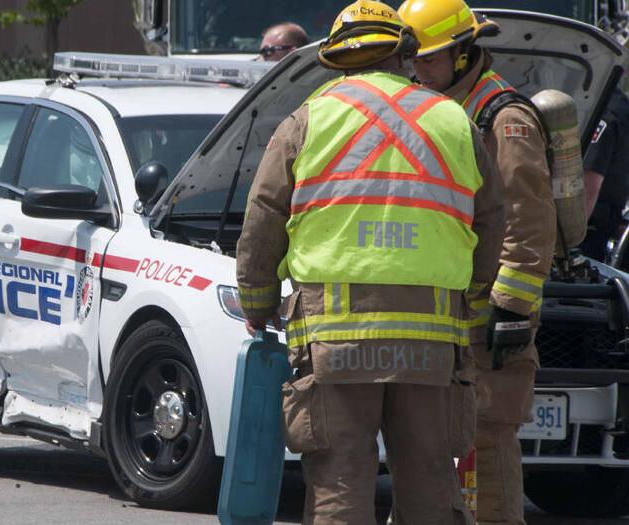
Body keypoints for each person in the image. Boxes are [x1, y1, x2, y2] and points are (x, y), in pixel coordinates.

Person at [236, 1, 504, 522]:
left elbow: (263, 218)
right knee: (430, 480)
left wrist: (257, 300)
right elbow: (491, 220)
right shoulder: (454, 120)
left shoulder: (306, 121)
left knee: (339, 484)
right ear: (404, 55)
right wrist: (472, 295)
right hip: (431, 345)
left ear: (335, 60)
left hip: (335, 345)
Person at [399, 1, 557, 523]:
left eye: (429, 59)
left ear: (464, 53)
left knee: (486, 448)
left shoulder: (502, 117)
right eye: (413, 61)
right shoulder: (442, 109)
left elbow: (528, 222)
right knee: (438, 448)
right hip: (449, 313)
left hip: (491, 322)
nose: (417, 70)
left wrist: (509, 312)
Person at [580, 88, 629, 261]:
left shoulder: (604, 111)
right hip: (606, 225)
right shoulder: (622, 108)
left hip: (587, 232)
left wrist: (566, 240)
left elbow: (588, 185)